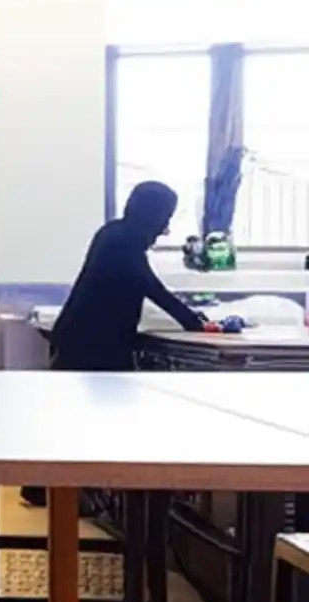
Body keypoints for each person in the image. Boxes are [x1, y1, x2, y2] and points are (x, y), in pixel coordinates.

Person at [22, 181, 207, 507]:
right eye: (165, 218)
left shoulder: (114, 234)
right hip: (89, 345)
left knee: (71, 419)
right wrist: (195, 323)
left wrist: (194, 318)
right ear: (152, 215)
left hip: (85, 339)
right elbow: (151, 287)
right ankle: (62, 492)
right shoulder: (124, 242)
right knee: (78, 419)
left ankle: (60, 489)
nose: (164, 229)